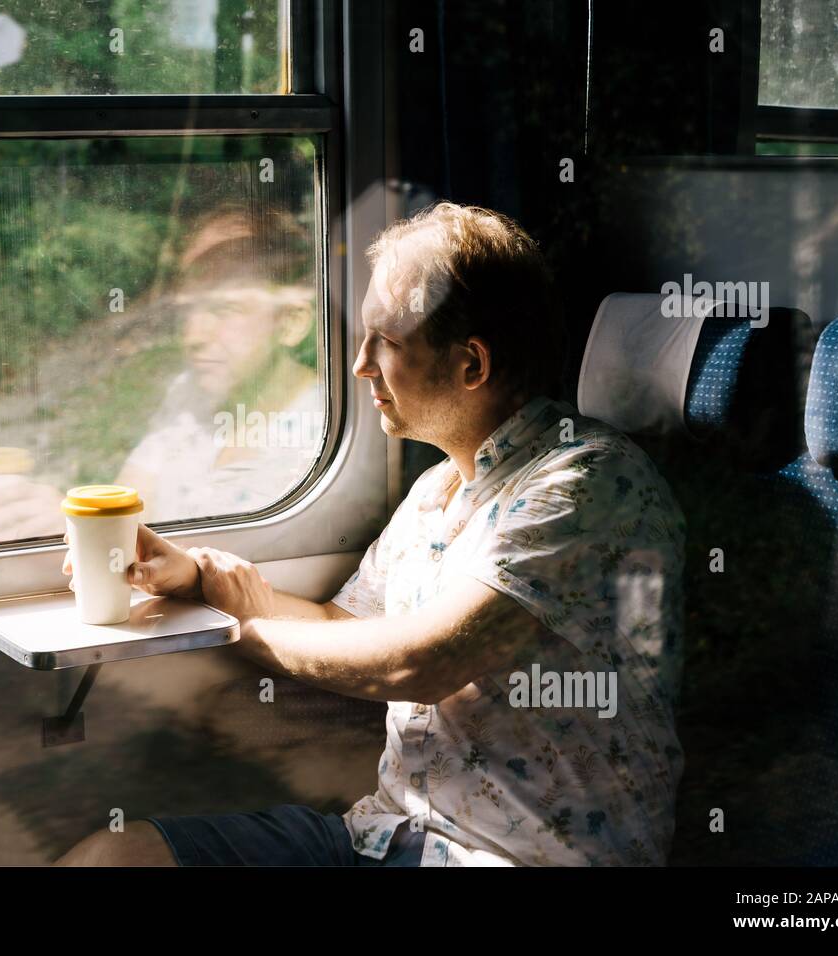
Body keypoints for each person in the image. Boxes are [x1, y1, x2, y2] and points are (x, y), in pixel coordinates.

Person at [53, 202, 687, 867]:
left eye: (386, 340)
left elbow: (418, 664)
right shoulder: (438, 490)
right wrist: (202, 580)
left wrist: (240, 633)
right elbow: (339, 621)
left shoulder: (586, 487)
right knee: (114, 858)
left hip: (516, 859)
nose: (360, 365)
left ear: (471, 364)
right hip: (388, 839)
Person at [0, 206, 323, 538]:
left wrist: (92, 531)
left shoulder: (324, 433)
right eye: (189, 310)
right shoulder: (189, 393)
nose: (193, 336)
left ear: (291, 322)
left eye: (224, 308)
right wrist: (72, 519)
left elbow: (248, 574)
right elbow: (132, 507)